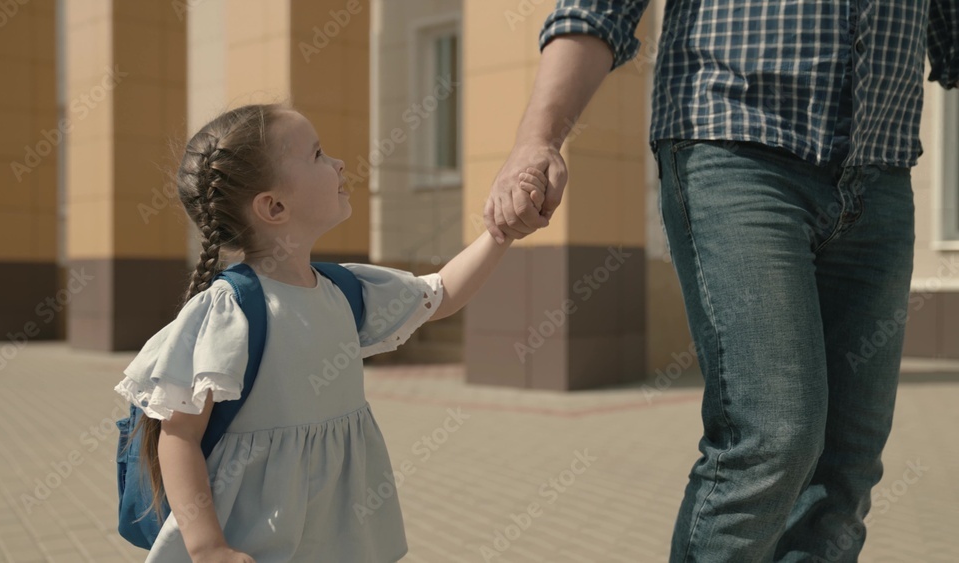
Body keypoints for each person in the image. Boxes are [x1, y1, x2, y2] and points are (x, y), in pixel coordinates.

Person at [485, 1, 957, 561]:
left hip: (881, 172)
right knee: (772, 438)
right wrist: (538, 138)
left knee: (846, 467)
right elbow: (596, 10)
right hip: (735, 144)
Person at [114, 103, 548, 562]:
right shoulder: (231, 311)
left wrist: (501, 233)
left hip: (337, 531)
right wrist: (207, 547)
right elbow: (178, 434)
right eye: (318, 154)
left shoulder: (343, 289)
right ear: (274, 206)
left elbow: (438, 294)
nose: (339, 163)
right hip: (254, 539)